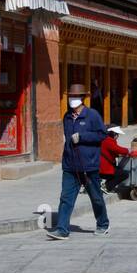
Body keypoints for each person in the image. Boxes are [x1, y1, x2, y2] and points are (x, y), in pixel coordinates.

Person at [48, 83, 110, 240]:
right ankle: (62, 229)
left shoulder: (92, 115)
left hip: (88, 165)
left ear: (82, 98)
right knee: (66, 198)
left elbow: (102, 135)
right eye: (70, 97)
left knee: (95, 197)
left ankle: (102, 223)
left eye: (75, 97)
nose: (72, 100)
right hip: (70, 165)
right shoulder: (67, 117)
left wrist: (83, 137)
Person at [99, 125, 133, 194]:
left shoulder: (104, 139)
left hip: (101, 167)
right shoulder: (109, 141)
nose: (117, 136)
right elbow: (118, 149)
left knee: (118, 170)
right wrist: (129, 150)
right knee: (124, 174)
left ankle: (105, 185)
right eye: (117, 134)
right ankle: (106, 187)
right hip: (104, 169)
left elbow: (113, 151)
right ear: (114, 134)